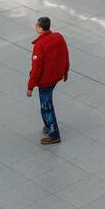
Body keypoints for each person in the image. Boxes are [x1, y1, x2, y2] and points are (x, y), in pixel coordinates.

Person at [27, 16, 70, 145]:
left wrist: (30, 87)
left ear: (40, 28)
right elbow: (65, 55)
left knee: (46, 107)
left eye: (36, 25)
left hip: (46, 81)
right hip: (56, 76)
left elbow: (36, 69)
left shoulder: (39, 45)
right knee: (46, 103)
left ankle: (54, 134)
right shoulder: (58, 37)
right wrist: (65, 71)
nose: (35, 26)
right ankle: (47, 125)